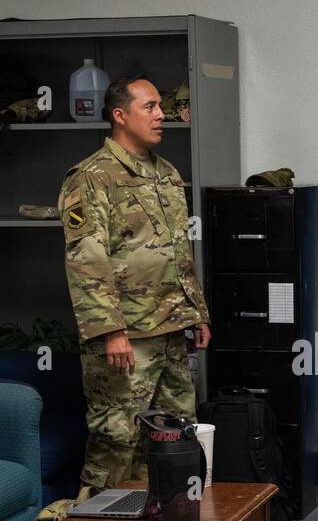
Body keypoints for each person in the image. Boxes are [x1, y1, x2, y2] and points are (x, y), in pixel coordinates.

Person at [60, 76, 211, 492]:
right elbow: (86, 261)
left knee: (175, 435)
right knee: (118, 439)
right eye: (150, 107)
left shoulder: (166, 174)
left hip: (170, 332)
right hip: (126, 337)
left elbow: (178, 251)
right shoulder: (91, 177)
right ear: (120, 116)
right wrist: (111, 332)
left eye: (161, 105)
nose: (162, 115)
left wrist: (197, 312)